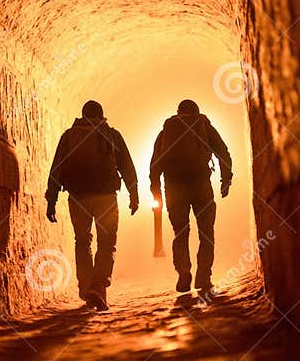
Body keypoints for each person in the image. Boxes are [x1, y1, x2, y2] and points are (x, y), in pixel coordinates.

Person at [45, 100, 139, 310]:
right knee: (106, 242)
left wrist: (51, 199)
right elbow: (127, 166)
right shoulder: (112, 135)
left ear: (82, 115)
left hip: (78, 197)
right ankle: (98, 284)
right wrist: (134, 194)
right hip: (106, 197)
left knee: (82, 241)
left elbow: (56, 168)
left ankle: (86, 287)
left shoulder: (69, 136)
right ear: (102, 115)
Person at [149, 99, 232, 294]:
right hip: (201, 184)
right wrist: (226, 179)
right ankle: (203, 275)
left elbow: (155, 165)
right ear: (196, 111)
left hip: (174, 187)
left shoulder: (165, 132)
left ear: (178, 112)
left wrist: (156, 192)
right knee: (206, 231)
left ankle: (184, 272)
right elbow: (223, 152)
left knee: (181, 232)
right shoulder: (203, 126)